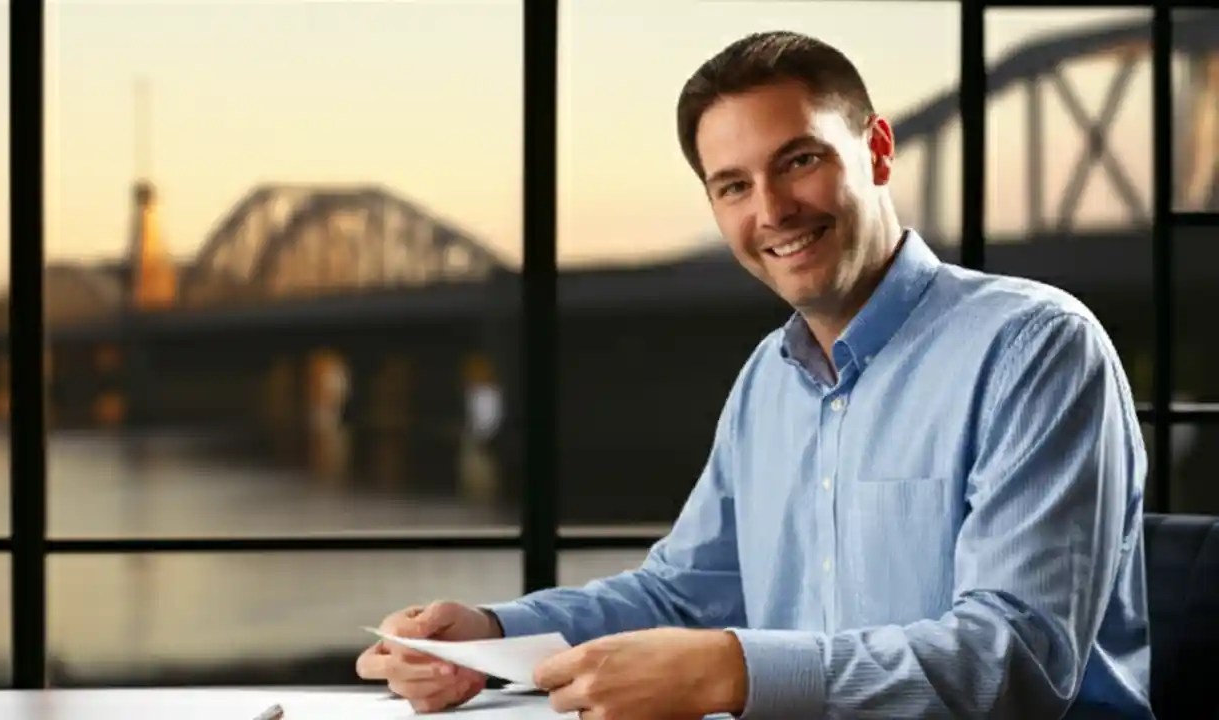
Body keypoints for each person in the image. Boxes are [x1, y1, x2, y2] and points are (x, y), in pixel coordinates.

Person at [356, 30, 1152, 719]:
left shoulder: (1034, 349)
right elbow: (680, 595)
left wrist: (730, 671)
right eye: (733, 186)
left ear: (878, 150)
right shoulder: (767, 381)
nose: (771, 211)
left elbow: (1013, 659)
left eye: (799, 161)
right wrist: (489, 637)